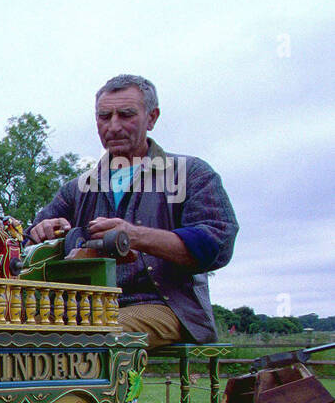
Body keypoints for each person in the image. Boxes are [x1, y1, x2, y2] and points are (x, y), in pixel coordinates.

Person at [27, 75, 238, 347]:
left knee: (92, 336)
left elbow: (217, 243)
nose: (113, 126)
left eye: (126, 115)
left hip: (165, 306)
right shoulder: (77, 188)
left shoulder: (191, 174)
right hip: (85, 309)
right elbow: (23, 243)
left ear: (152, 118)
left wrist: (135, 235)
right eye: (104, 116)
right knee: (18, 334)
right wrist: (40, 233)